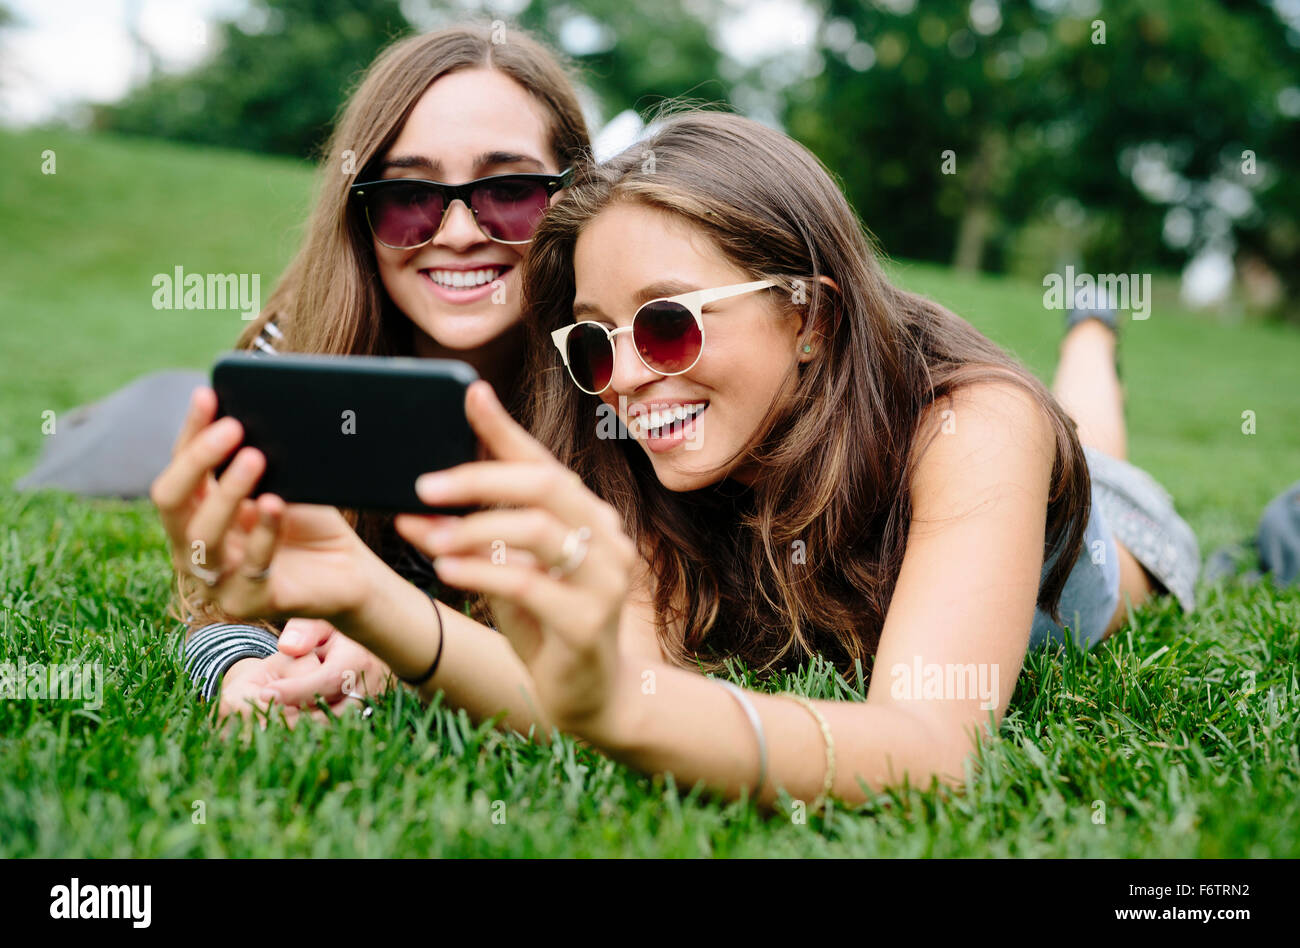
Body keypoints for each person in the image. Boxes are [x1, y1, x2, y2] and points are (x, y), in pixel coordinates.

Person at [186, 111, 1200, 808]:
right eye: (593, 339)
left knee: (1083, 433)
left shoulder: (970, 426)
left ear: (807, 313)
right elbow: (609, 681)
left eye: (667, 325)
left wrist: (626, 707)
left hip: (1105, 539)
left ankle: (1090, 330)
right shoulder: (626, 445)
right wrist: (379, 607)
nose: (622, 377)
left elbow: (930, 750)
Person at [150, 23, 590, 724]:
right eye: (408, 197)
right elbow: (222, 600)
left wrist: (407, 647)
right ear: (361, 212)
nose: (457, 233)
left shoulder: (614, 363)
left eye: (510, 190)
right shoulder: (294, 355)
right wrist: (246, 669)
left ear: (572, 197)